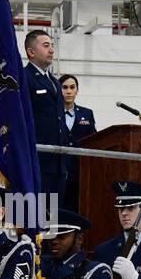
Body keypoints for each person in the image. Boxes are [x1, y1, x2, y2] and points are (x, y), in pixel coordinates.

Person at [23, 30, 69, 205]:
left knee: (52, 219)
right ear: (31, 52)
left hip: (57, 163)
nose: (51, 50)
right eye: (46, 45)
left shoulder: (55, 82)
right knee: (31, 216)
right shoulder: (24, 78)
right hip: (37, 160)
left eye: (52, 45)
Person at [59, 74, 96, 211]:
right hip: (58, 169)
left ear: (77, 90)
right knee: (55, 210)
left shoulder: (87, 113)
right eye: (64, 87)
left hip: (79, 170)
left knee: (77, 209)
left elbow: (94, 139)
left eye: (72, 87)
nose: (68, 91)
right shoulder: (52, 113)